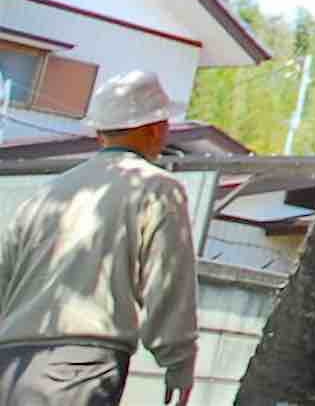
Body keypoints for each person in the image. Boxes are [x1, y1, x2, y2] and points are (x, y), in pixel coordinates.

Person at [0, 72, 199, 406]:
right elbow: (167, 284)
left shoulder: (47, 193)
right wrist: (179, 361)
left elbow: (4, 275)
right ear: (155, 128)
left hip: (12, 364)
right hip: (82, 365)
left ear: (99, 134)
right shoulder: (157, 189)